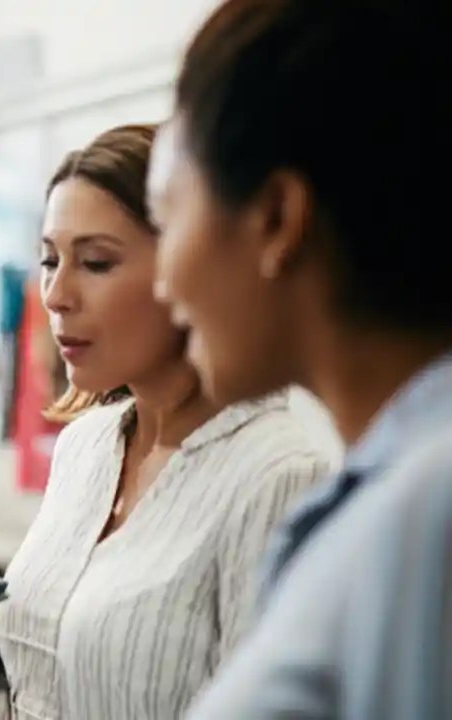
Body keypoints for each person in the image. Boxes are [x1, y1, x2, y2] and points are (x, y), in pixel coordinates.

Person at [147, 1, 452, 717]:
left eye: (166, 220)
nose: (165, 281)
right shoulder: (391, 490)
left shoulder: (428, 509)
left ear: (277, 218)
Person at [0, 124, 329, 720]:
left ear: (188, 266)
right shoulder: (85, 447)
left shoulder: (281, 476)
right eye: (49, 260)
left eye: (95, 262)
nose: (56, 294)